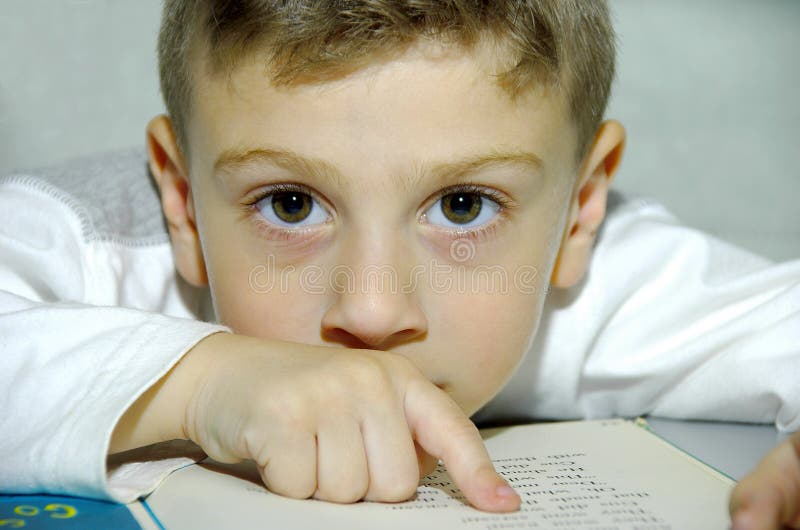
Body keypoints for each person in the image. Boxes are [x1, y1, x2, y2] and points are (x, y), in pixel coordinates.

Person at [0, 0, 798, 527]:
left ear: (579, 209)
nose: (374, 310)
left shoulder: (588, 279)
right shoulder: (82, 239)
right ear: (181, 200)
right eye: (290, 205)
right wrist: (200, 382)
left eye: (463, 206)